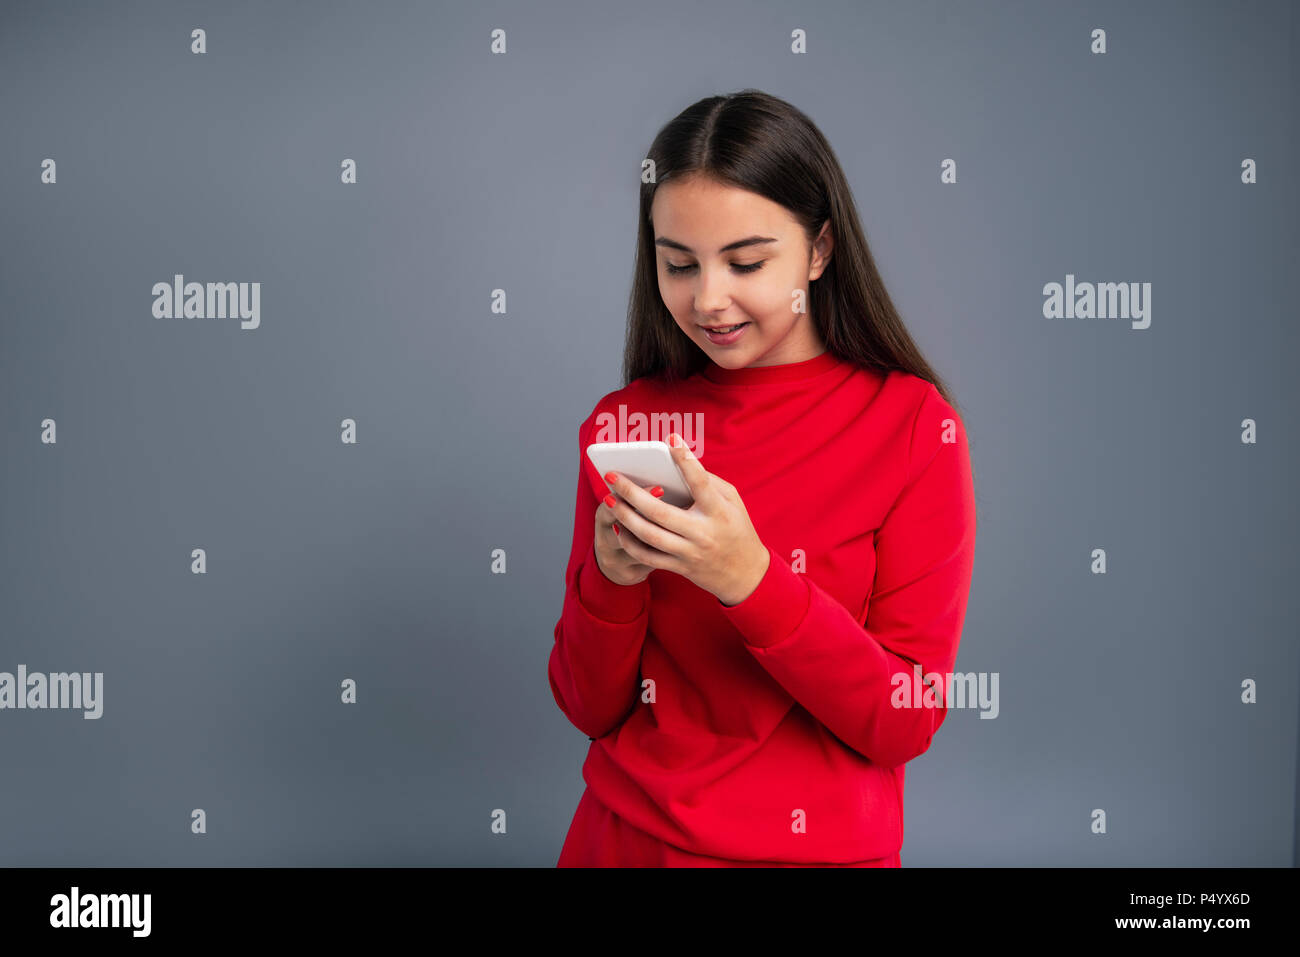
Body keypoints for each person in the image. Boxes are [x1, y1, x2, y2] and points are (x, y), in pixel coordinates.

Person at [549, 89, 978, 867]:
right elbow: (588, 706)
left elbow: (903, 719)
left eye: (746, 262)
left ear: (818, 251)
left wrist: (749, 578)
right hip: (624, 841)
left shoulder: (913, 426)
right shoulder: (626, 426)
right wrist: (610, 581)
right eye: (678, 264)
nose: (708, 299)